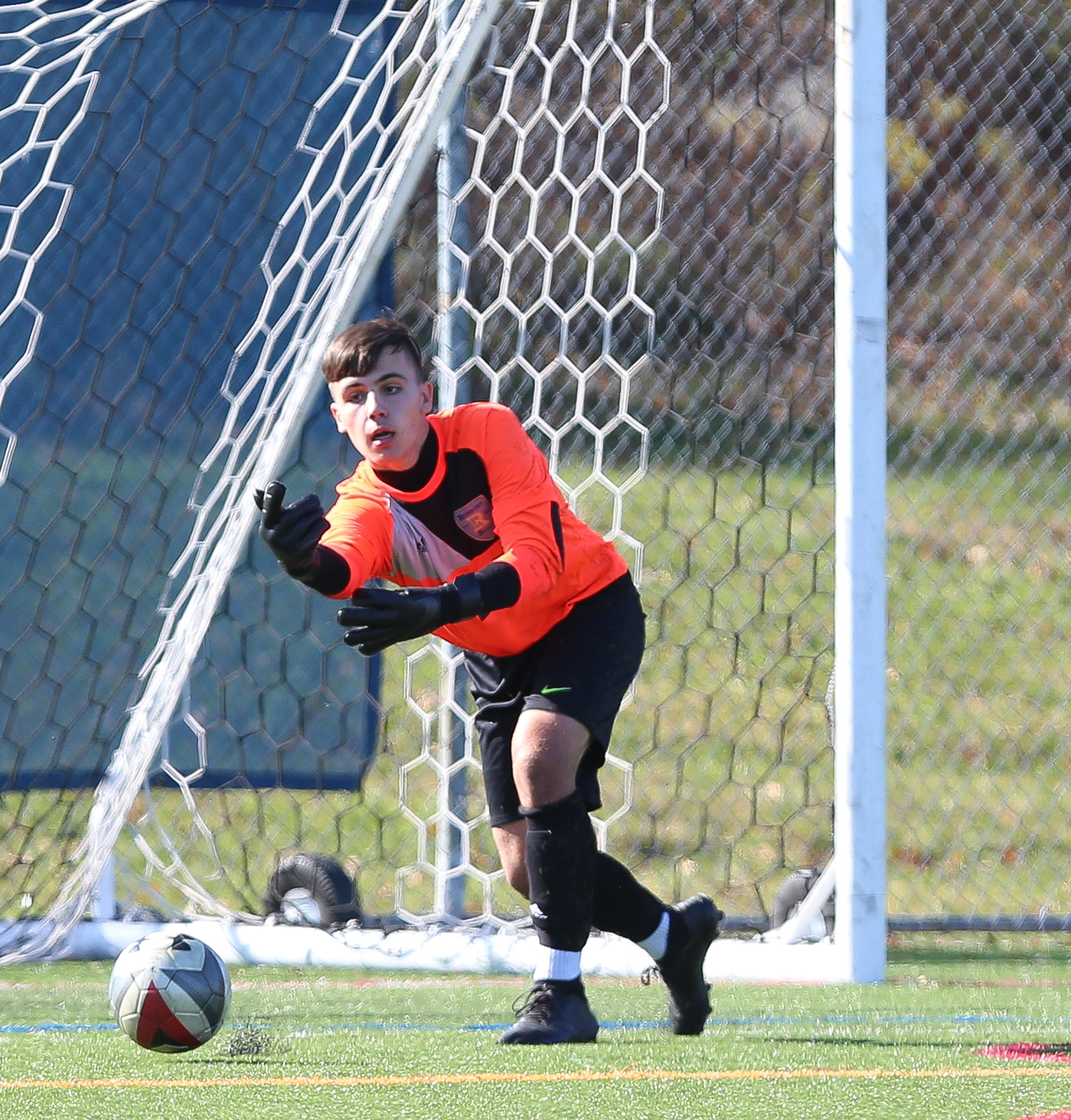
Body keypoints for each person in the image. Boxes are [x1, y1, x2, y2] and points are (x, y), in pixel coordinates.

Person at [254, 317, 722, 1044]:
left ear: (426, 396)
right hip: (498, 660)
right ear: (340, 419)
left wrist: (440, 602)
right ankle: (673, 939)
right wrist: (302, 561)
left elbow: (537, 560)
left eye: (393, 387)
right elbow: (343, 560)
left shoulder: (486, 434)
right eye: (358, 395)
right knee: (528, 870)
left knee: (541, 757)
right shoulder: (365, 503)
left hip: (584, 610)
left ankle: (561, 996)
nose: (379, 407)